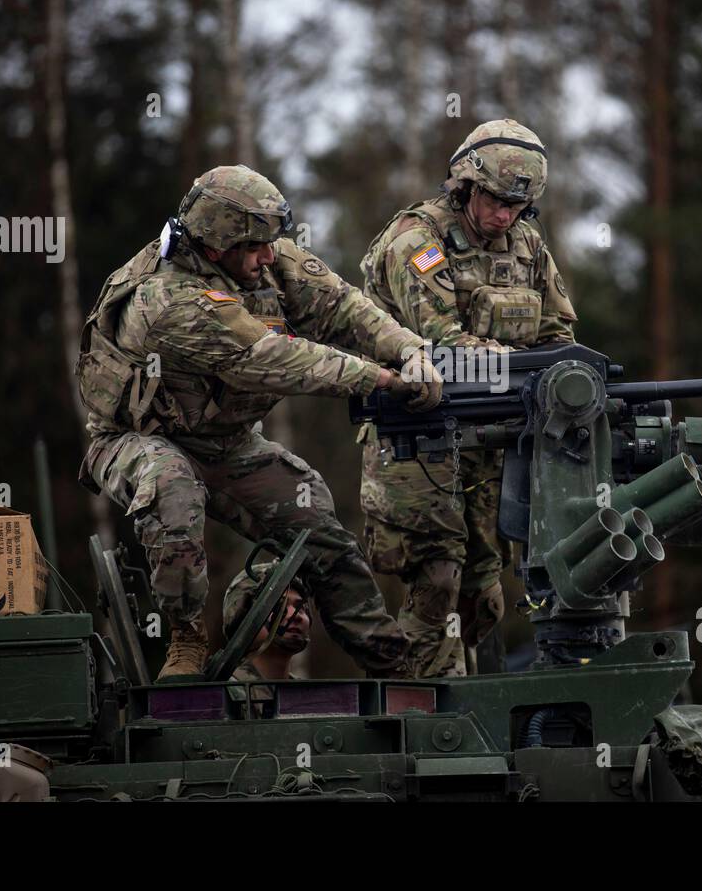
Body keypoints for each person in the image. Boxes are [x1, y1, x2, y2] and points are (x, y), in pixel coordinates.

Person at [76, 165, 441, 680]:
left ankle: (393, 668)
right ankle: (185, 636)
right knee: (172, 487)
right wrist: (382, 380)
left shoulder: (268, 258)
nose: (270, 257)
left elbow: (341, 308)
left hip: (225, 443)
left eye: (272, 243)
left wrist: (408, 349)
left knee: (314, 521)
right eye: (255, 247)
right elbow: (273, 359)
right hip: (136, 440)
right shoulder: (165, 301)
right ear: (214, 245)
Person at [357, 119, 577, 677]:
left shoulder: (527, 244)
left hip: (491, 438)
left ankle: (471, 710)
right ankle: (419, 717)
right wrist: (526, 372)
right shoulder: (417, 241)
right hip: (417, 439)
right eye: (496, 201)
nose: (504, 217)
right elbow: (442, 347)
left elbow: (559, 336)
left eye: (517, 207)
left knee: (482, 594)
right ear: (464, 184)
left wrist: (567, 379)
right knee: (436, 580)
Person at [221, 564, 311, 718]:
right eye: (279, 606)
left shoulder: (309, 697)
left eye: (299, 607)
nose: (296, 615)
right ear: (244, 619)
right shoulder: (223, 695)